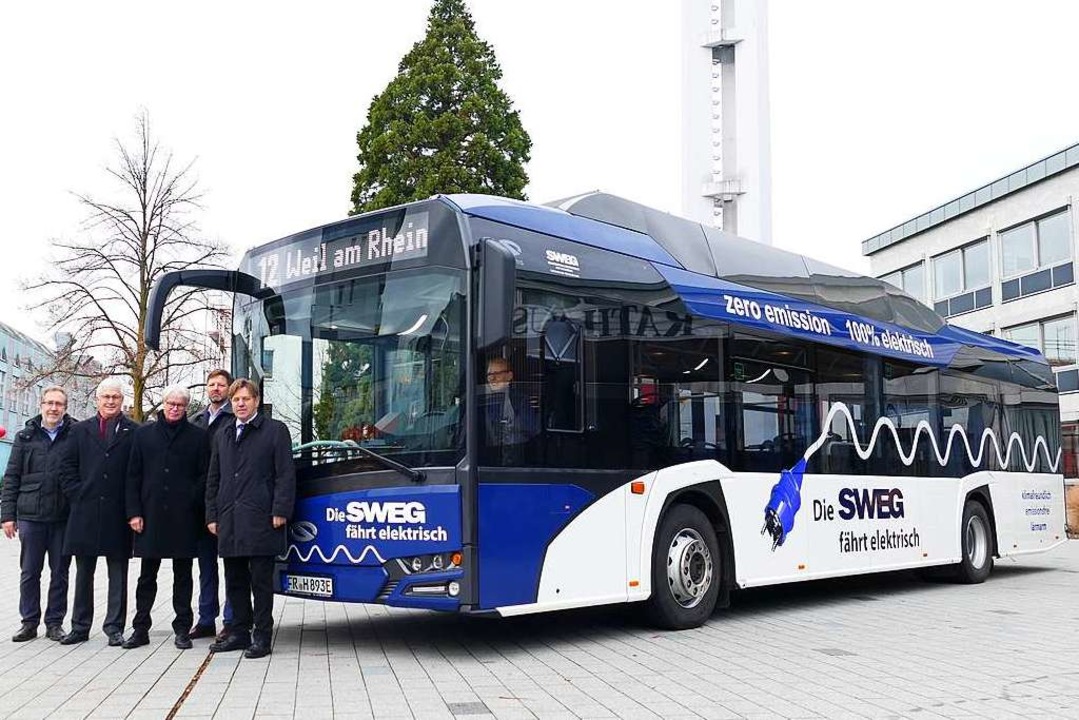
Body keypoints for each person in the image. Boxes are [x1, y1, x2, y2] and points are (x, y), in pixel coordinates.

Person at [206, 379, 295, 659]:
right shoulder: (223, 432)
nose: (240, 404)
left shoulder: (275, 431)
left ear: (256, 400)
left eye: (245, 399)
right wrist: (212, 514)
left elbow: (285, 474)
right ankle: (239, 632)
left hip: (261, 519)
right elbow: (214, 477)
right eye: (236, 400)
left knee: (260, 582)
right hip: (229, 519)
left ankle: (262, 636)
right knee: (234, 581)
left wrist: (280, 510)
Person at [123, 386, 209, 650]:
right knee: (147, 576)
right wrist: (134, 512)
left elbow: (204, 476)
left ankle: (182, 628)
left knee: (183, 575)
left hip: (184, 517)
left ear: (186, 408)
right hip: (150, 516)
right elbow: (133, 476)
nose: (175, 408)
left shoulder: (198, 436)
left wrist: (190, 498)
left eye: (180, 405)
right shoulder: (144, 434)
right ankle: (140, 628)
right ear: (163, 404)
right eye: (171, 403)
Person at [59, 378, 138, 646]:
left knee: (118, 573)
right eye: (106, 397)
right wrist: (77, 493)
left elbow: (135, 472)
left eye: (115, 397)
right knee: (84, 573)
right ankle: (80, 626)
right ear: (97, 399)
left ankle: (114, 627)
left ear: (122, 400)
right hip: (86, 511)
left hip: (118, 512)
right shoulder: (79, 430)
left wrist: (132, 509)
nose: (110, 401)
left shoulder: (133, 431)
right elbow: (66, 467)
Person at [1, 386, 75, 642]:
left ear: (65, 408)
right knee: (30, 571)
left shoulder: (74, 435)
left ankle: (55, 623)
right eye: (49, 403)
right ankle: (29, 622)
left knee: (60, 573)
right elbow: (11, 477)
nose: (54, 408)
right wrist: (7, 515)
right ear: (41, 405)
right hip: (30, 515)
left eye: (59, 404)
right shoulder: (25, 437)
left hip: (63, 517)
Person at [189, 368, 234, 641]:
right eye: (211, 384)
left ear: (228, 388)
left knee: (231, 565)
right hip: (201, 505)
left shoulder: (234, 419)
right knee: (205, 565)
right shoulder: (196, 420)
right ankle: (206, 618)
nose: (215, 388)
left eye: (220, 384)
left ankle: (232, 619)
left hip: (228, 502)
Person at [482, 356, 538, 464]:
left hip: (516, 463)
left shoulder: (521, 401)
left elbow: (530, 430)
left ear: (509, 376)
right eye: (489, 375)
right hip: (487, 464)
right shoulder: (481, 402)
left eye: (497, 374)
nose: (492, 378)